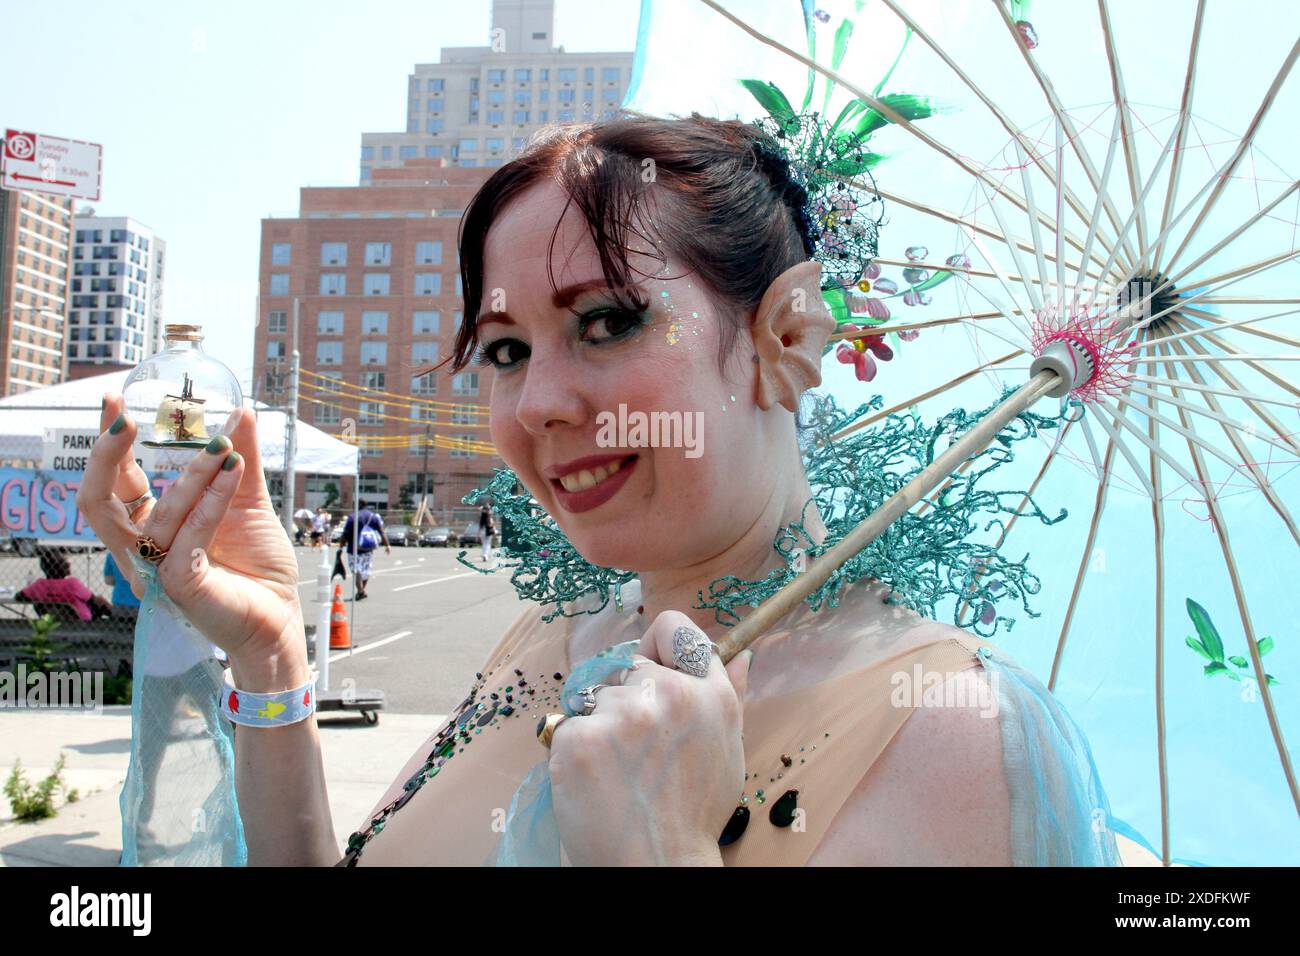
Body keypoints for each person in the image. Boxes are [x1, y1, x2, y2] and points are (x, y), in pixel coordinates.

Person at [76, 114, 1121, 866]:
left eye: (607, 322)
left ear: (787, 336)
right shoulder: (556, 636)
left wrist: (663, 850)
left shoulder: (946, 732)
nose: (537, 402)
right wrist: (270, 655)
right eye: (504, 348)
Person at [18, 548, 112, 621]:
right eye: (65, 562)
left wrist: (45, 597)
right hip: (79, 622)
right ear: (62, 567)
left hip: (51, 621)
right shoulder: (72, 584)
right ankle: (117, 618)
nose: (68, 564)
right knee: (100, 600)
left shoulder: (39, 585)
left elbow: (19, 596)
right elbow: (92, 599)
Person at [340, 500, 389, 601]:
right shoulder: (373, 516)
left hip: (353, 548)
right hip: (368, 548)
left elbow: (346, 533)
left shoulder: (352, 516)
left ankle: (360, 591)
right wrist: (387, 545)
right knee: (366, 571)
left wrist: (341, 544)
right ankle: (360, 592)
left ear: (358, 505)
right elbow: (381, 531)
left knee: (356, 570)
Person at [103, 550, 140, 620]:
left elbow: (108, 580)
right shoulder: (145, 553)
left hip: (119, 601)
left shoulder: (112, 553)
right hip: (140, 602)